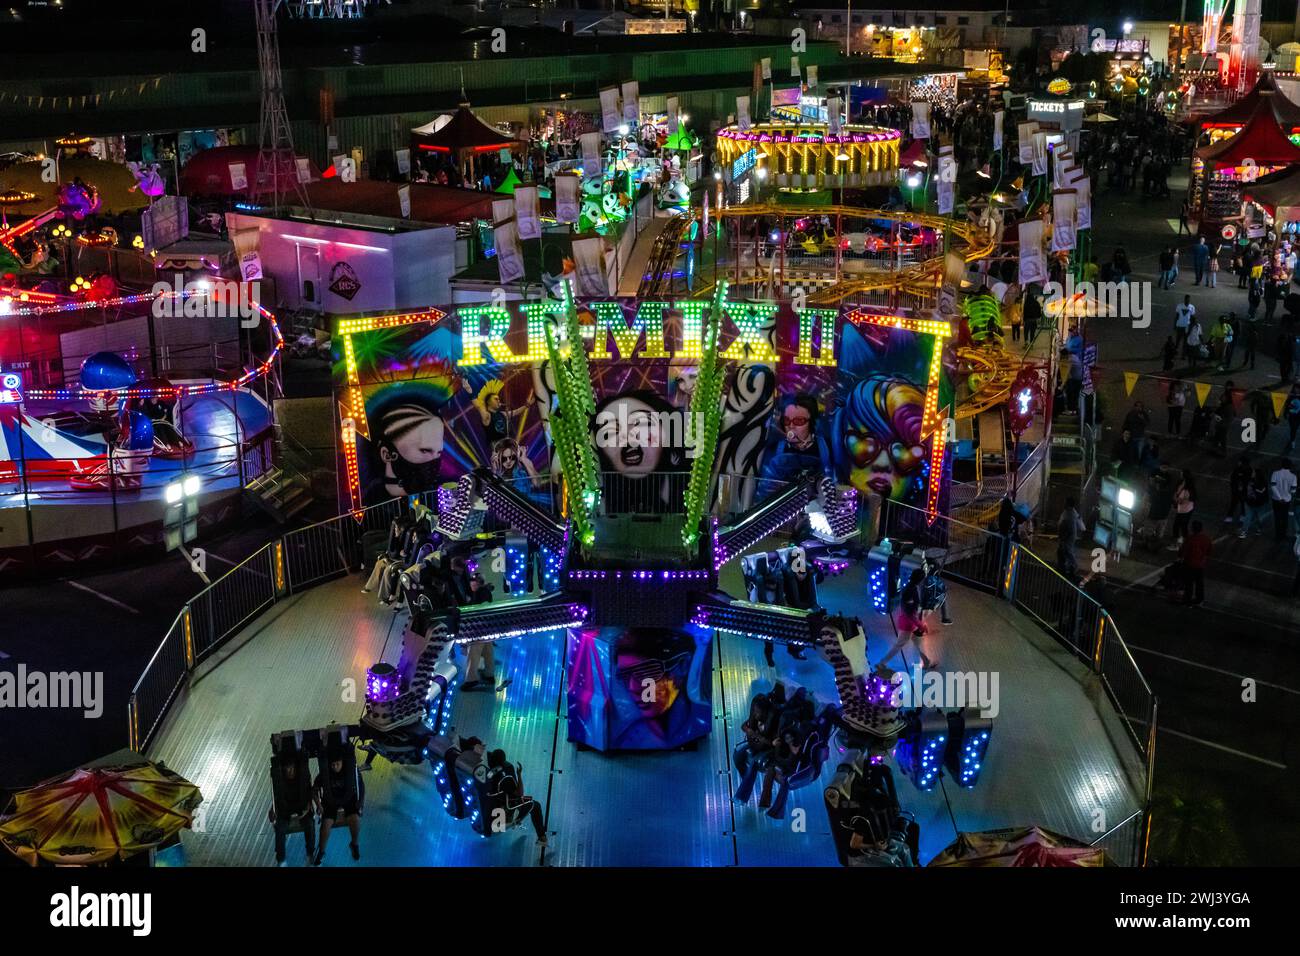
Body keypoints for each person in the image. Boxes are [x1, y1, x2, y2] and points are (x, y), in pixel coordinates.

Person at [485, 749, 548, 846]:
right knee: (535, 805)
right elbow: (519, 793)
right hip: (505, 811)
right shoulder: (505, 778)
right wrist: (519, 774)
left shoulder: (488, 773)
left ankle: (518, 820)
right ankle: (542, 838)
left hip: (491, 808)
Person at [313, 752, 364, 865]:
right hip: (330, 801)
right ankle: (321, 851)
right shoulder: (325, 773)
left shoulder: (350, 769)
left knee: (355, 820)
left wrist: (360, 803)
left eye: (337, 764)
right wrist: (319, 805)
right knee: (325, 826)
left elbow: (361, 785)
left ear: (342, 762)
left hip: (348, 798)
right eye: (333, 765)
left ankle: (354, 844)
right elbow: (314, 789)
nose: (335, 767)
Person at [881, 568, 935, 670]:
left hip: (909, 623)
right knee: (899, 645)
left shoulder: (910, 587)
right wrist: (921, 625)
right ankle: (882, 663)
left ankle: (926, 661)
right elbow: (909, 613)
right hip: (908, 625)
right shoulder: (911, 591)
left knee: (915, 641)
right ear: (920, 580)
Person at [268, 758, 315, 866]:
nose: (289, 771)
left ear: (295, 768)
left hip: (301, 808)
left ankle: (310, 854)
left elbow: (308, 796)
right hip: (285, 810)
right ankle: (281, 860)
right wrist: (272, 809)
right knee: (279, 828)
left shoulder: (301, 779)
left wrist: (307, 809)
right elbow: (277, 797)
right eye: (287, 769)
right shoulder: (280, 781)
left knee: (310, 824)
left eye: (291, 768)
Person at [1178, 520, 1212, 606]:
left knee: (1189, 583)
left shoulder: (1190, 539)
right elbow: (1209, 551)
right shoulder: (1206, 539)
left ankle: (1187, 600)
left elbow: (1182, 552)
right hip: (1200, 565)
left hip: (1190, 564)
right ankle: (1199, 599)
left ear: (1192, 529)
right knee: (1199, 583)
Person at [1056, 496, 1087, 579]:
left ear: (1068, 504)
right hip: (1066, 537)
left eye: (1065, 502)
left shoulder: (1070, 515)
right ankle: (1066, 567)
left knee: (1067, 552)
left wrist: (1063, 538)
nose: (1063, 503)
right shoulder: (1070, 512)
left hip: (1066, 538)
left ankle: (1071, 567)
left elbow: (1069, 529)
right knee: (1065, 552)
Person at [1239, 467, 1272, 538]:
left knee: (1260, 518)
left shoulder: (1262, 482)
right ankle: (1244, 531)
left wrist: (1253, 487)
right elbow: (1244, 489)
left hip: (1259, 505)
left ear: (1257, 474)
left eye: (1254, 472)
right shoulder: (1249, 480)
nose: (1252, 473)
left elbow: (1261, 492)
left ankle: (1259, 529)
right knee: (1247, 518)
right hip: (1249, 503)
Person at [1270, 458, 1297, 541]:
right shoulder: (1293, 476)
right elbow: (1293, 490)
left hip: (1276, 500)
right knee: (1285, 518)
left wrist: (1279, 497)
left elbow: (1273, 486)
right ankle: (1283, 535)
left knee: (1277, 518)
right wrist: (1286, 495)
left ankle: (1278, 536)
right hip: (1287, 500)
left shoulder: (1275, 473)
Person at [1169, 472, 1197, 548]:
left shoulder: (1186, 490)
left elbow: (1180, 501)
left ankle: (1177, 543)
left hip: (1183, 510)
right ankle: (1184, 540)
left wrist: (1175, 498)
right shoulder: (1188, 486)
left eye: (1181, 474)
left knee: (1178, 525)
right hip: (1188, 509)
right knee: (1183, 525)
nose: (1180, 475)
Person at [1227, 454, 1253, 524]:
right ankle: (1230, 516)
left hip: (1242, 490)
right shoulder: (1238, 469)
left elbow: (1246, 479)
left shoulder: (1248, 470)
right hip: (1236, 489)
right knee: (1234, 503)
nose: (1238, 463)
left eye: (1239, 461)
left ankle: (1241, 515)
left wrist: (1241, 485)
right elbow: (1233, 478)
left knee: (1242, 503)